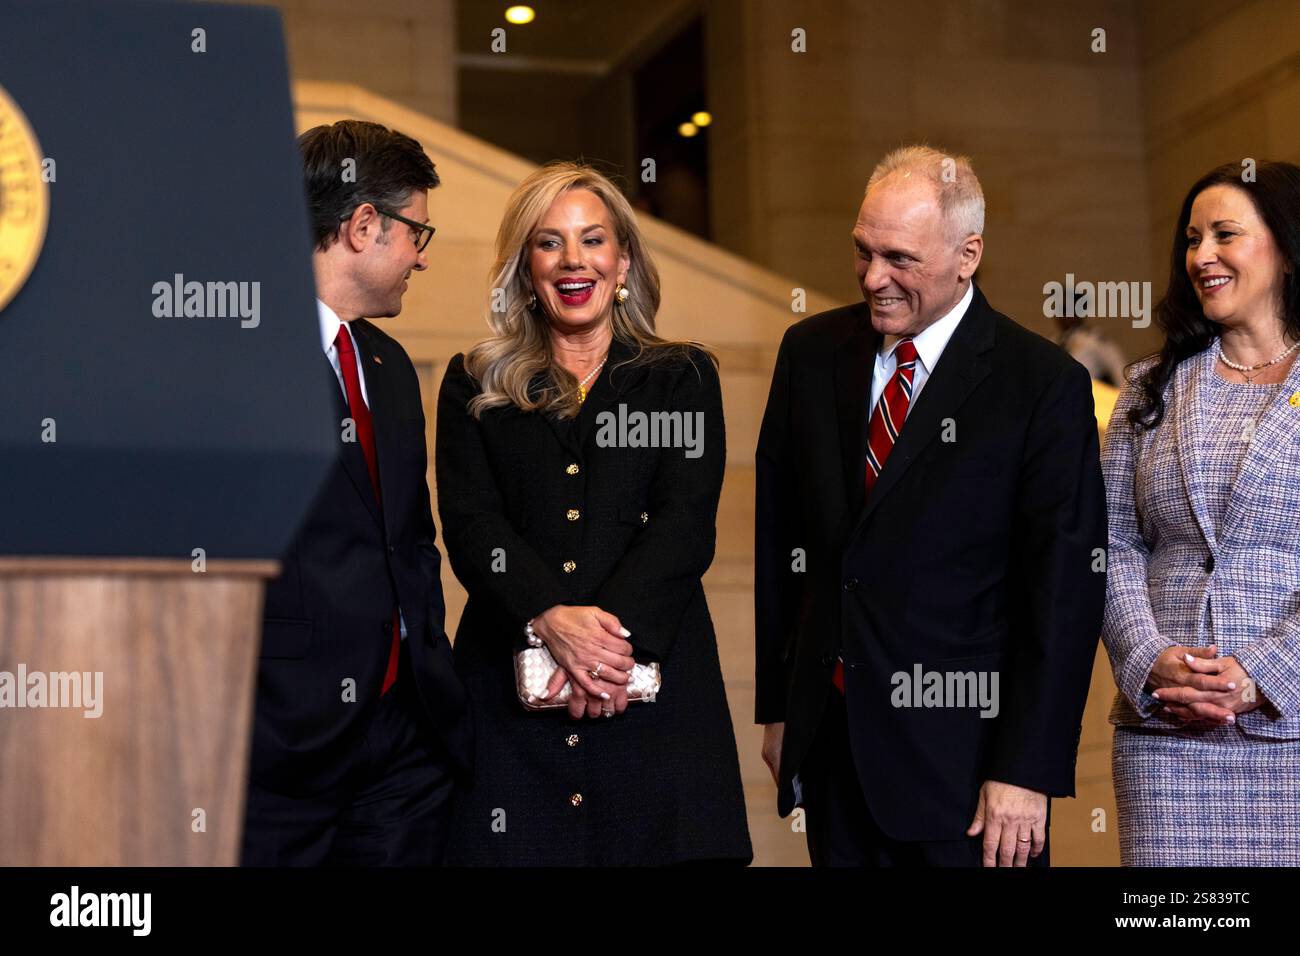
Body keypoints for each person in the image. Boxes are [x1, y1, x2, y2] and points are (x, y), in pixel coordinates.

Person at [755, 145, 1106, 867]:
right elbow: (781, 543)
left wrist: (1025, 769)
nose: (873, 278)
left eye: (899, 258)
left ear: (967, 254)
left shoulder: (1042, 386)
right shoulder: (809, 354)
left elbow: (1063, 597)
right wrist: (781, 704)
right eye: (862, 251)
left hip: (973, 777)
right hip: (835, 751)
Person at [436, 161, 752, 866]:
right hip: (510, 716)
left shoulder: (682, 377)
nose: (572, 260)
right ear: (524, 268)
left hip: (655, 712)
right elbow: (472, 526)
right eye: (548, 243)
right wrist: (549, 616)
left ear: (624, 261)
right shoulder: (473, 385)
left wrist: (606, 650)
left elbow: (684, 522)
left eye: (592, 240)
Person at [242, 120, 471, 866]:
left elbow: (411, 538)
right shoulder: (232, 358)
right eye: (418, 232)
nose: (423, 258)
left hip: (406, 747)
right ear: (363, 225)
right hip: (278, 752)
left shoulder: (393, 365)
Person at [1101, 160, 1300, 866]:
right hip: (1166, 743)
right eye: (1191, 239)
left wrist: (1265, 674)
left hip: (1292, 730)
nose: (1201, 256)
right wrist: (1149, 658)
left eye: (1224, 235)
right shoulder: (1145, 389)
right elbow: (1112, 544)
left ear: (1283, 247)